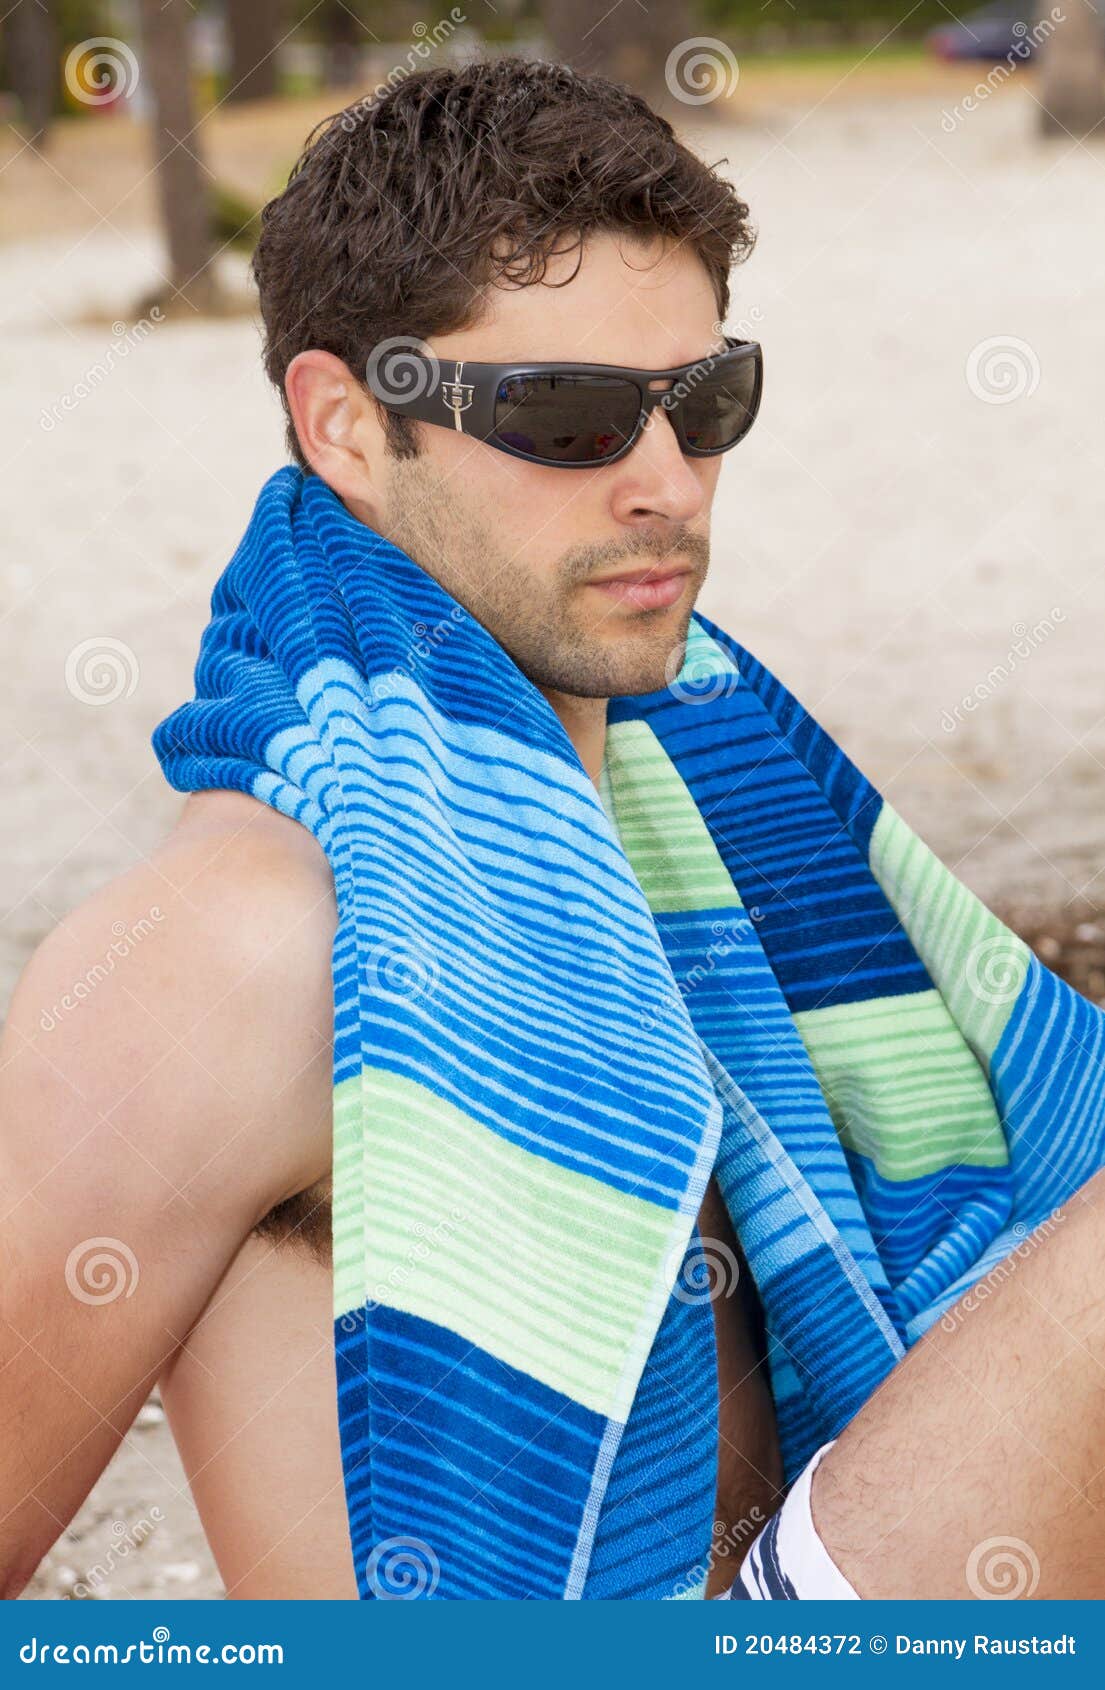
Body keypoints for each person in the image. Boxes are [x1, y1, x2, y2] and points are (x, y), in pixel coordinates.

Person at [1, 59, 1103, 1604]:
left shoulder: (706, 809)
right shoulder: (233, 947)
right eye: (570, 416)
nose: (667, 485)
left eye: (704, 402)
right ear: (343, 425)